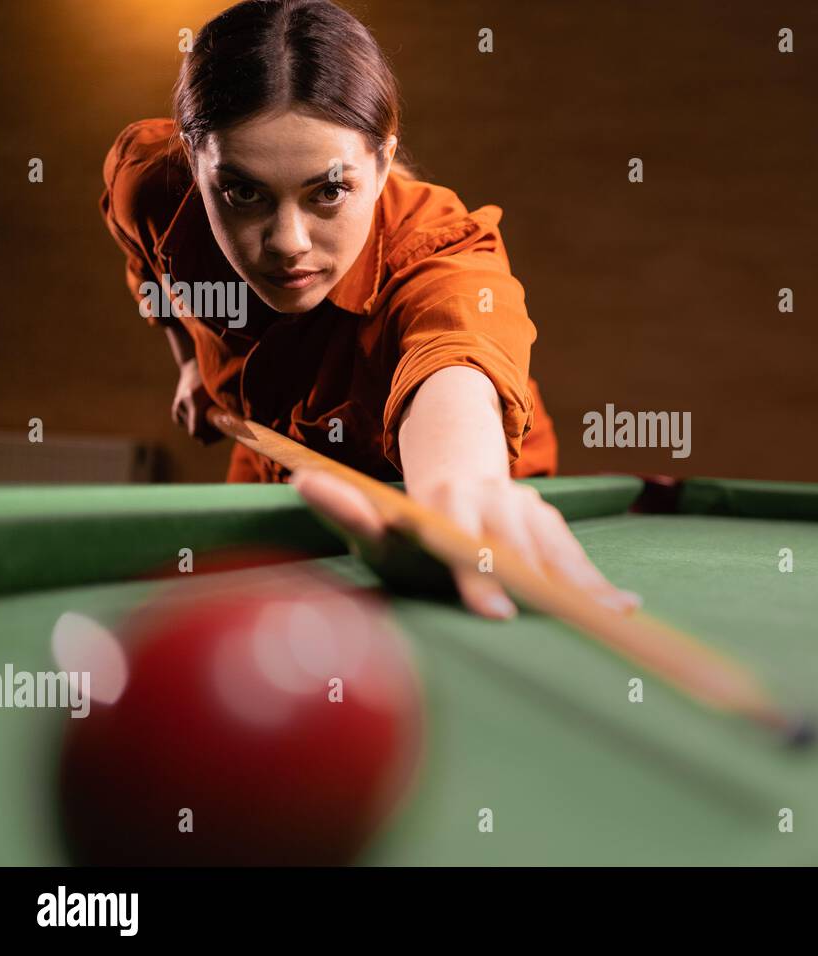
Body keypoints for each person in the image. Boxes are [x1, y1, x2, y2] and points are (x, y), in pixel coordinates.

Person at [100, 0, 638, 618]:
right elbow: (146, 264)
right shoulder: (152, 185)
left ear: (382, 162)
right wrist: (189, 364)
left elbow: (456, 359)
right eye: (244, 191)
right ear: (195, 164)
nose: (288, 243)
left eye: (328, 191)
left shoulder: (437, 254)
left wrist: (458, 486)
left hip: (453, 492)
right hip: (275, 454)